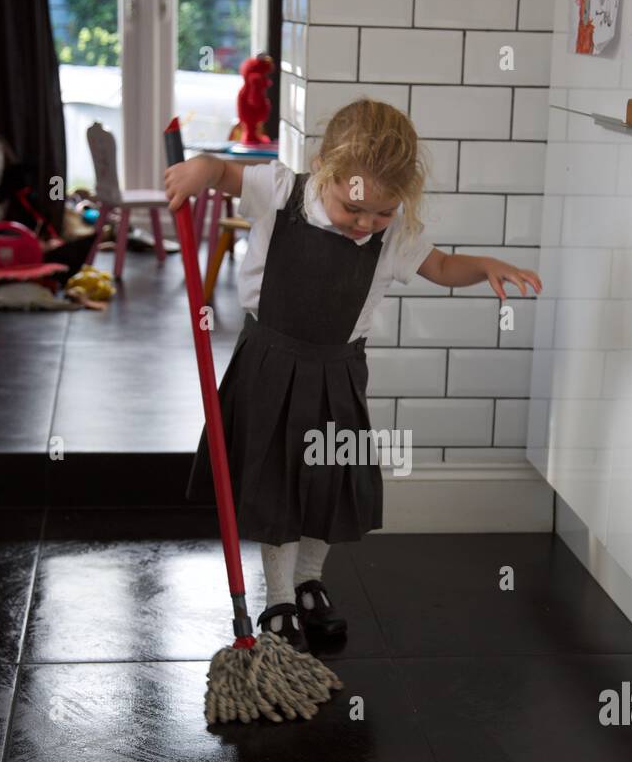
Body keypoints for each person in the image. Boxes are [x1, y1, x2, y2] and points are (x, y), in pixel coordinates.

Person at [164, 97, 541, 652]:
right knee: (279, 488)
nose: (366, 225)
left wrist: (483, 266)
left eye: (382, 213)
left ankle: (308, 580)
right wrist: (200, 168)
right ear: (327, 171)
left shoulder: (392, 233)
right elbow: (223, 172)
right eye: (353, 208)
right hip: (271, 365)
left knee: (330, 481)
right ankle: (278, 601)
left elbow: (438, 266)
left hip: (337, 373)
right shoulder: (283, 190)